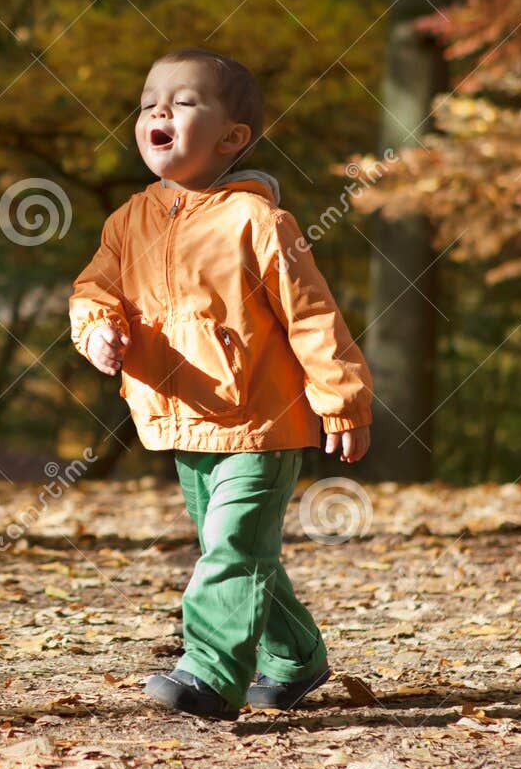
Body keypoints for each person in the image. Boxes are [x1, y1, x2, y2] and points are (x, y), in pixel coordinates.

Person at [68, 48, 374, 722]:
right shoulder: (127, 223)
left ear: (232, 138)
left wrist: (342, 399)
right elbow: (94, 288)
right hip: (182, 420)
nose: (158, 111)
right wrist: (96, 328)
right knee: (236, 548)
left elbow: (313, 316)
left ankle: (209, 672)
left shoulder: (258, 223)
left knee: (234, 545)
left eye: (182, 101)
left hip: (263, 423)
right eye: (150, 101)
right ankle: (296, 657)